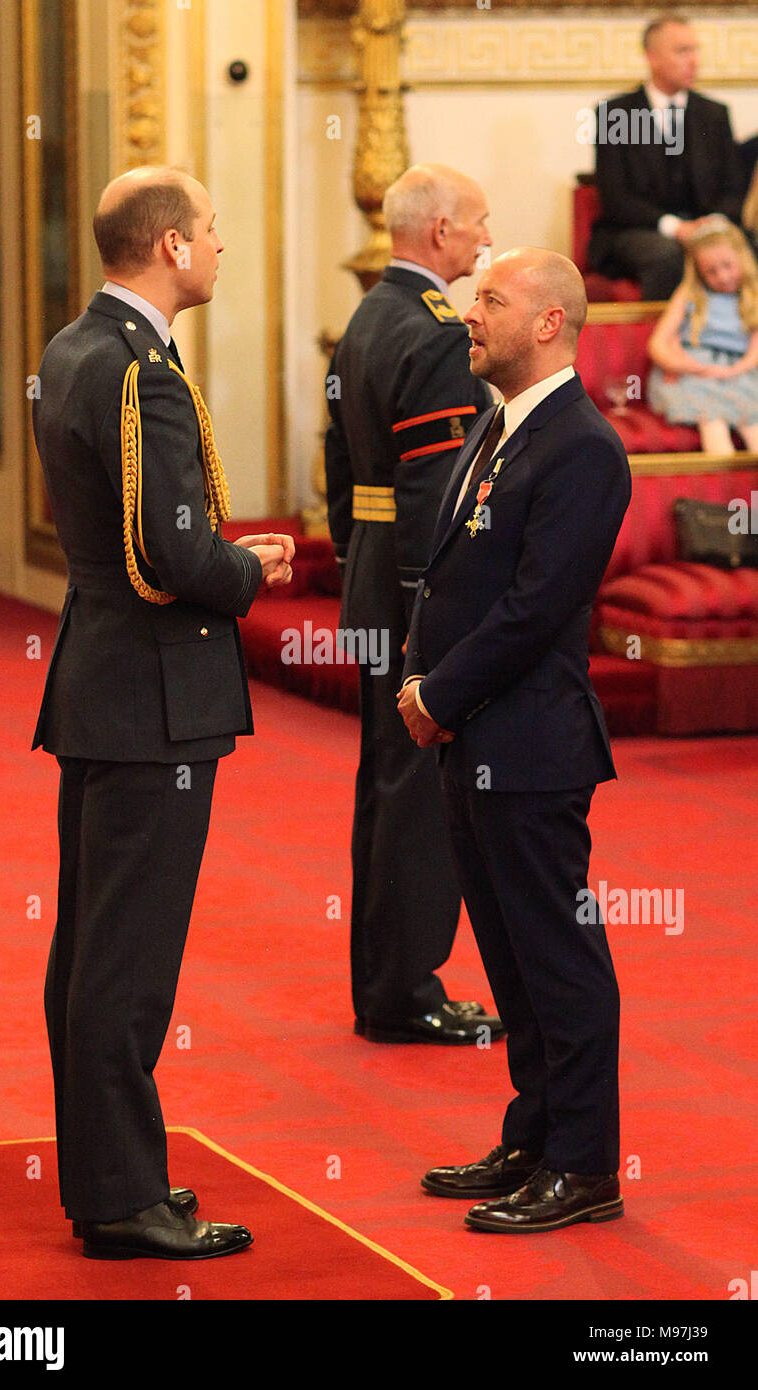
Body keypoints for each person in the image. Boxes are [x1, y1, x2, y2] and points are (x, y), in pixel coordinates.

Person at [32, 166, 293, 1260]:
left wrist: (216, 556)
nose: (222, 247)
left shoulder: (71, 346)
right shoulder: (140, 373)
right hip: (150, 688)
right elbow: (168, 554)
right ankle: (120, 1196)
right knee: (126, 961)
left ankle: (110, 1177)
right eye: (213, 230)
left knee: (92, 947)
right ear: (170, 246)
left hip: (102, 675)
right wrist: (243, 571)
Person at [398, 248, 632, 1233]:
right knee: (507, 951)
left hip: (530, 744)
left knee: (557, 955)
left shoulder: (581, 446)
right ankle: (533, 1133)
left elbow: (537, 608)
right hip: (474, 734)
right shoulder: (499, 426)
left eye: (488, 300)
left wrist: (436, 691)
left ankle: (583, 1165)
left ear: (547, 322)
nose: (467, 316)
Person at [325, 163, 503, 1045]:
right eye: (474, 222)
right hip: (406, 582)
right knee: (416, 785)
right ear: (437, 231)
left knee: (384, 776)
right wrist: (433, 602)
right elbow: (434, 483)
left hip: (369, 565)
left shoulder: (368, 312)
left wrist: (349, 556)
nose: (483, 235)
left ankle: (384, 981)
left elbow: (336, 457)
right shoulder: (436, 332)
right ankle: (405, 990)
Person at [588, 13, 745, 301]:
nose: (694, 60)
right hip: (639, 231)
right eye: (682, 51)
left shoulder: (714, 113)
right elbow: (616, 199)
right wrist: (675, 228)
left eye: (696, 50)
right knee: (666, 255)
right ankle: (667, 344)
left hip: (707, 225)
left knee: (742, 247)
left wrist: (714, 224)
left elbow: (734, 187)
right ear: (652, 57)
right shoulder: (617, 114)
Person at [647, 218, 758, 454]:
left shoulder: (753, 294)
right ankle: (720, 488)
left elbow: (755, 352)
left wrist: (733, 371)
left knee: (753, 424)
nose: (723, 276)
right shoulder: (690, 293)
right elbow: (658, 344)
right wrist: (683, 365)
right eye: (711, 271)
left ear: (742, 258)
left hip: (741, 372)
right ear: (699, 271)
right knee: (712, 421)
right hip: (695, 373)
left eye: (728, 266)